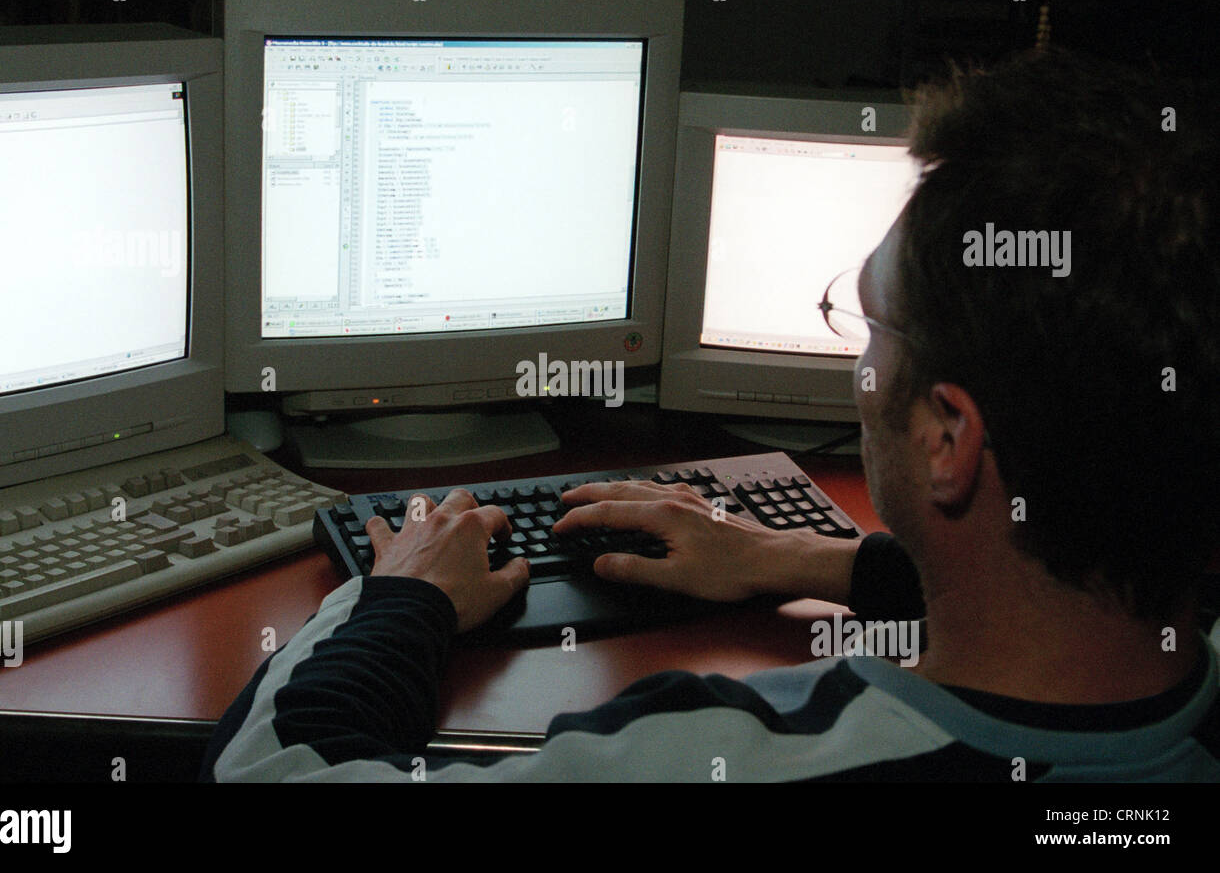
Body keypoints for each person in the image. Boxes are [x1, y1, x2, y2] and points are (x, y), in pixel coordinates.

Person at [201, 49, 1220, 782]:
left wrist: (397, 601)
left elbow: (276, 768)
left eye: (870, 325)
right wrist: (800, 558)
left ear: (947, 438)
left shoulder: (709, 755)